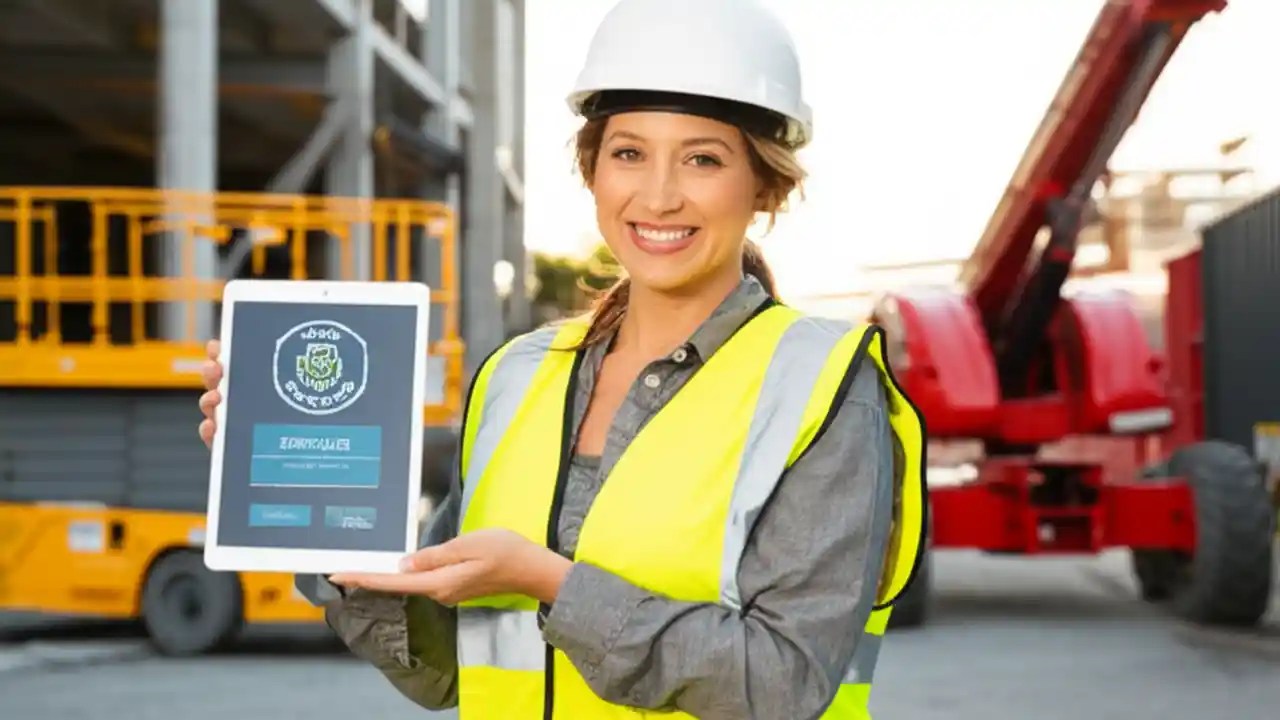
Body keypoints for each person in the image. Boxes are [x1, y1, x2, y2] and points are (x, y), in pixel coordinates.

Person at [197, 0, 926, 717]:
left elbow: (782, 684)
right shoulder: (517, 376)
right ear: (593, 168)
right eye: (629, 153)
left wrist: (551, 583)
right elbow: (441, 671)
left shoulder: (822, 386)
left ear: (765, 183)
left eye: (702, 159)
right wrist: (309, 498)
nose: (659, 196)